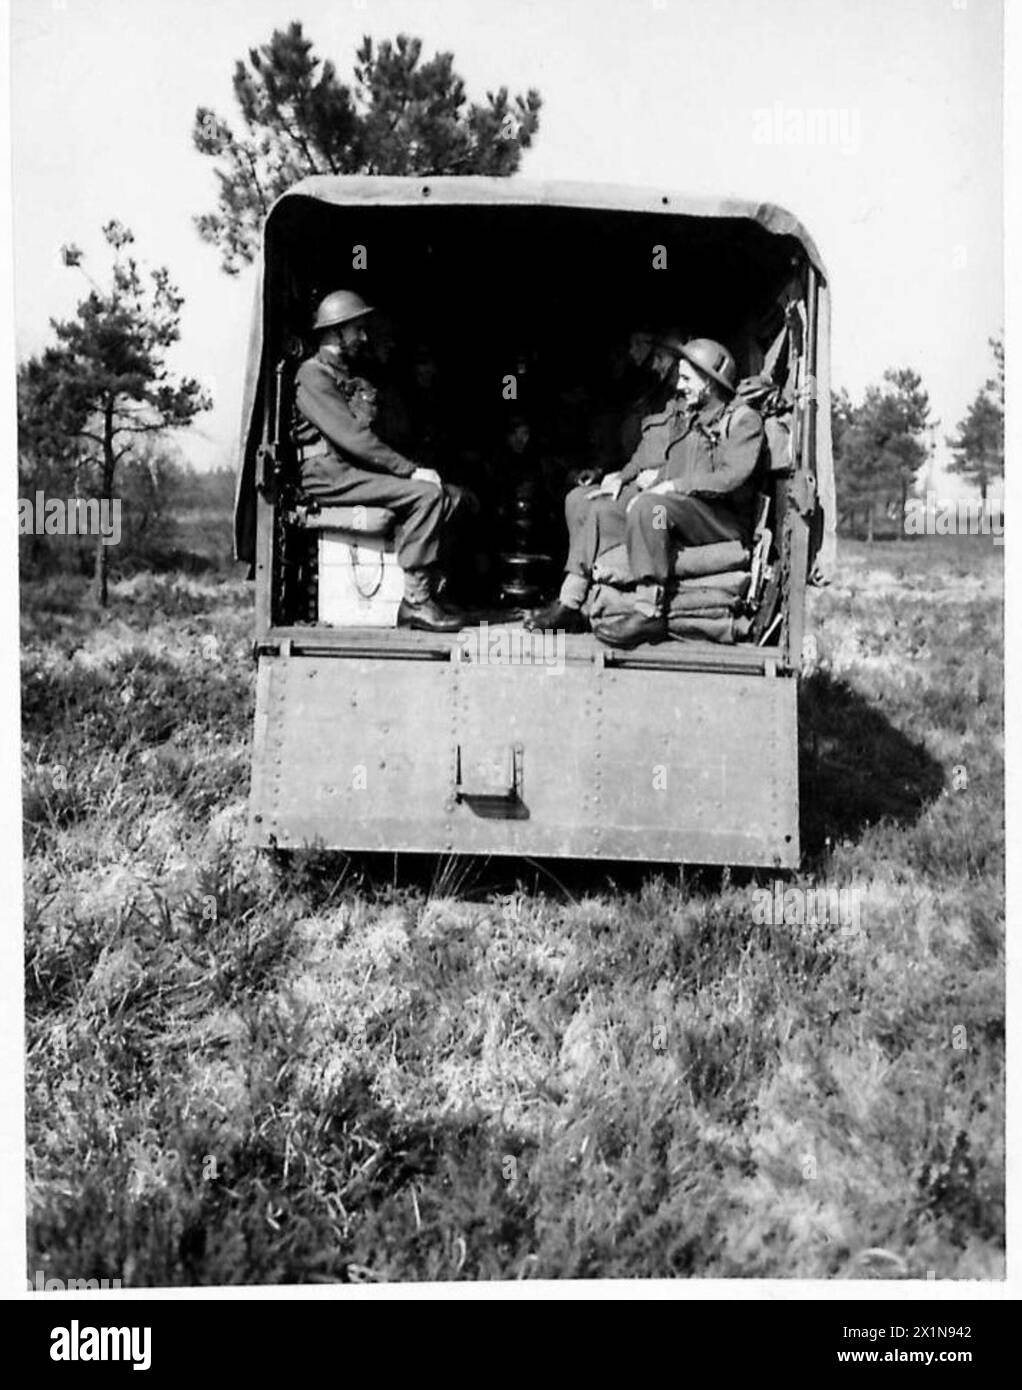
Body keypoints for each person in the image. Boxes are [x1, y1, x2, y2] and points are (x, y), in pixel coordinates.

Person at [292, 289, 465, 633]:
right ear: (335, 331)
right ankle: (415, 603)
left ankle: (432, 590)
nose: (364, 337)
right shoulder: (312, 376)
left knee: (451, 495)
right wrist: (411, 471)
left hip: (351, 471)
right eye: (358, 329)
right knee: (427, 494)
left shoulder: (348, 375)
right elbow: (354, 439)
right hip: (329, 476)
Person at [593, 338, 765, 649]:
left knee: (652, 510)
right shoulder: (693, 418)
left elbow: (730, 477)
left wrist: (671, 488)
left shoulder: (744, 420)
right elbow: (675, 470)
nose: (679, 387)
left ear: (710, 383)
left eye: (687, 379)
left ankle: (649, 610)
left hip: (721, 521)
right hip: (687, 513)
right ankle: (588, 597)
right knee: (613, 510)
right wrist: (639, 482)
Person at [524, 330, 687, 633]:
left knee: (599, 510)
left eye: (661, 358)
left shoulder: (685, 402)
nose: (655, 365)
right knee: (577, 499)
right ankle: (582, 598)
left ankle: (572, 600)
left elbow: (689, 460)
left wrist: (660, 478)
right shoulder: (657, 393)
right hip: (641, 478)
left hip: (665, 496)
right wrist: (617, 475)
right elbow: (644, 447)